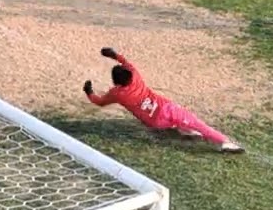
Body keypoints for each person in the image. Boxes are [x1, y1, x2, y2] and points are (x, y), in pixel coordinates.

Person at [84, 48, 244, 153]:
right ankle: (224, 142)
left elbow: (99, 102)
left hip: (154, 122)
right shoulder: (135, 76)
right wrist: (113, 54)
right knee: (197, 123)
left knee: (178, 123)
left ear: (115, 81)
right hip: (165, 109)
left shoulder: (117, 93)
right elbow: (125, 62)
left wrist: (89, 91)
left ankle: (185, 130)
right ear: (130, 75)